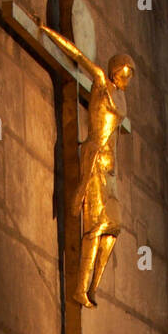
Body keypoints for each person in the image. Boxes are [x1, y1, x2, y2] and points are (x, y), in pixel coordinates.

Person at [39, 24, 135, 306]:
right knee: (94, 228)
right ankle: (80, 287)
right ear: (116, 71)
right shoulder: (101, 83)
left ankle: (94, 284)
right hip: (93, 159)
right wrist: (46, 31)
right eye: (125, 75)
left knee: (113, 227)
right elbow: (77, 55)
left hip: (109, 167)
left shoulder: (120, 97)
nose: (127, 82)